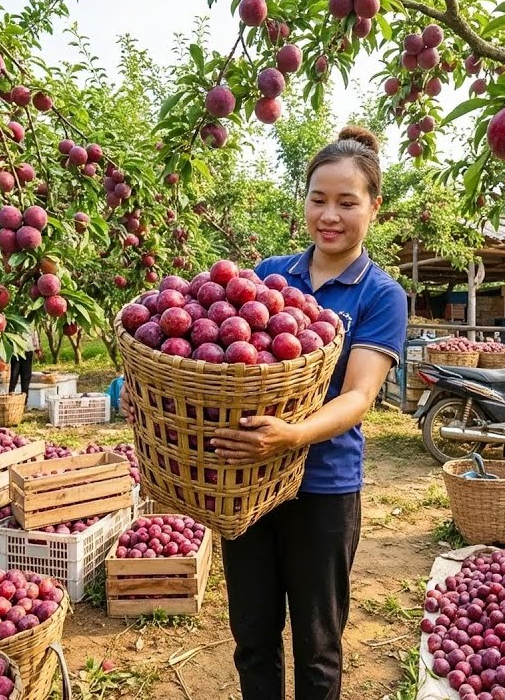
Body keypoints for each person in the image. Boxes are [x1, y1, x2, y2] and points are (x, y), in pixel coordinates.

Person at [121, 126, 408, 700]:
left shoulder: (381, 294)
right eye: (318, 199)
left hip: (324, 487)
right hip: (243, 482)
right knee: (252, 636)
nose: (330, 215)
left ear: (374, 207)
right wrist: (155, 401)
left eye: (347, 203)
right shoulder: (269, 277)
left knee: (318, 645)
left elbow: (358, 396)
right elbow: (221, 374)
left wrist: (293, 435)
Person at [7, 325, 41, 397]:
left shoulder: (30, 320)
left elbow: (33, 332)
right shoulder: (14, 320)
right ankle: (11, 395)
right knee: (14, 374)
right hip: (16, 350)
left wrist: (37, 348)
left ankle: (24, 398)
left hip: (27, 350)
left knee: (26, 375)